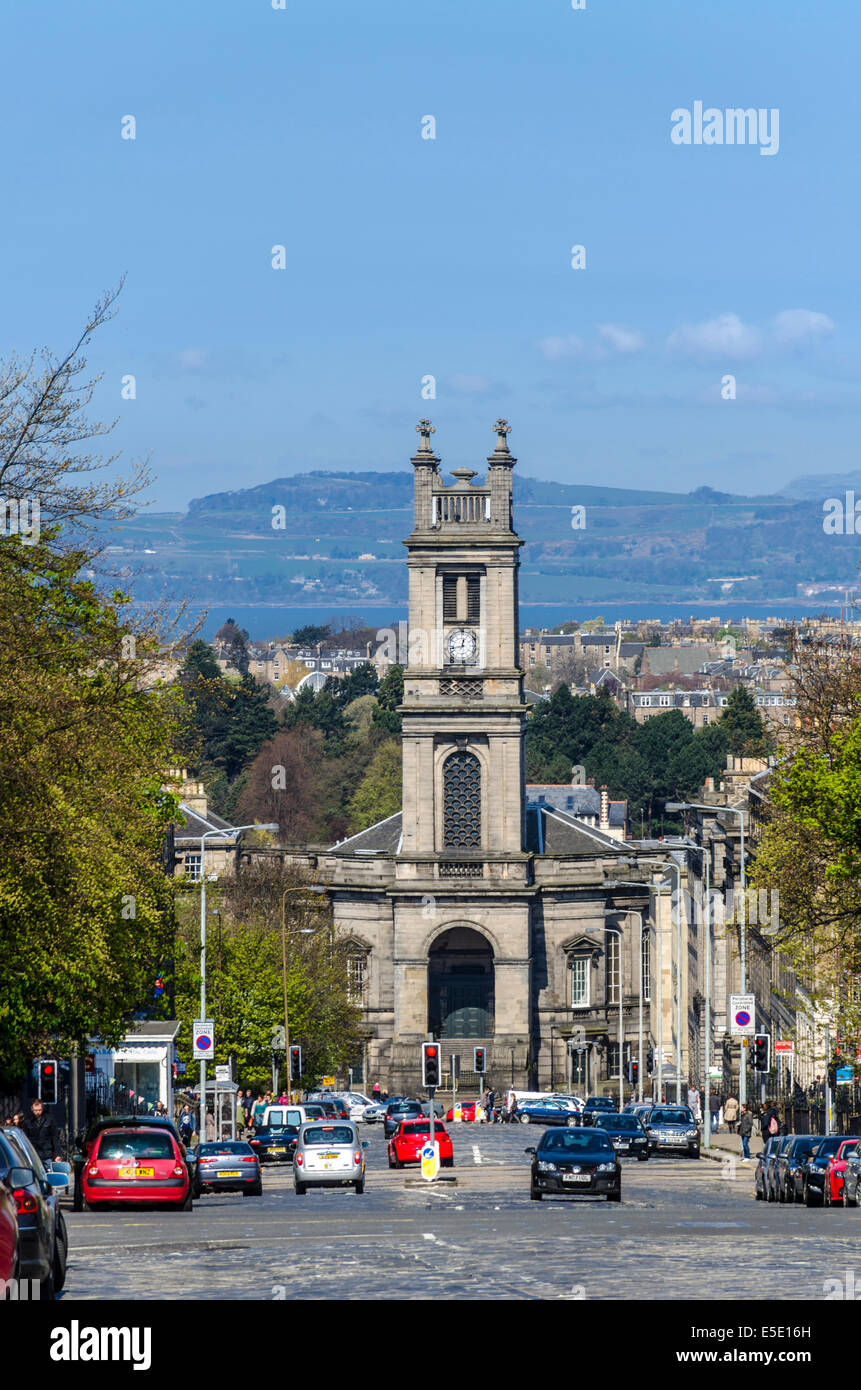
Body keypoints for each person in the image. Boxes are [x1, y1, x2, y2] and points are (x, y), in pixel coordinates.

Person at [19, 1098, 63, 1167]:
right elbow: (25, 1139)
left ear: (42, 1109)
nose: (37, 1112)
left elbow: (55, 1137)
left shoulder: (49, 1119)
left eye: (39, 1110)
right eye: (35, 1110)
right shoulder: (28, 1121)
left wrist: (57, 1154)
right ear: (32, 1109)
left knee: (48, 1173)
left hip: (47, 1153)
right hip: (34, 1153)